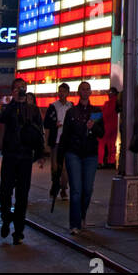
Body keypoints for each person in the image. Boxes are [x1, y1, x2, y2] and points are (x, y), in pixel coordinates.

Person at [0, 77, 45, 245]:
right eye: (17, 88)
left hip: (25, 156)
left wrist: (40, 154)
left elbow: (40, 131)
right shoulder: (9, 108)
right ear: (13, 91)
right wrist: (13, 102)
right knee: (5, 192)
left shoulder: (33, 109)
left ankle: (18, 230)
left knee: (22, 195)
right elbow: (1, 119)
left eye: (23, 88)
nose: (21, 90)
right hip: (10, 155)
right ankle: (5, 218)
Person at [58, 81, 104, 235]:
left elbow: (101, 133)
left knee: (87, 189)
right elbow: (65, 135)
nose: (85, 92)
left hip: (90, 154)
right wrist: (60, 157)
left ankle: (82, 215)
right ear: (79, 92)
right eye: (82, 89)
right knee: (76, 189)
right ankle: (75, 223)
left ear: (90, 92)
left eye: (87, 89)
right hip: (74, 152)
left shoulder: (96, 111)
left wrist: (94, 127)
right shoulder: (72, 112)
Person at [43, 83, 71, 198]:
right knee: (55, 166)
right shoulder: (53, 107)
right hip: (55, 141)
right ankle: (55, 185)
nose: (61, 93)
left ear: (68, 93)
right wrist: (46, 143)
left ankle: (63, 188)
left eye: (64, 91)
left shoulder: (71, 107)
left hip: (67, 141)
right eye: (60, 91)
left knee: (65, 167)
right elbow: (47, 125)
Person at [100, 86, 119, 168]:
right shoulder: (117, 102)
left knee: (101, 143)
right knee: (111, 145)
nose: (108, 94)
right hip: (114, 126)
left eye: (110, 92)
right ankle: (111, 162)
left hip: (107, 127)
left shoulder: (109, 103)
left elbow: (104, 115)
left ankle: (100, 162)